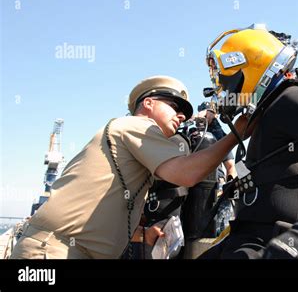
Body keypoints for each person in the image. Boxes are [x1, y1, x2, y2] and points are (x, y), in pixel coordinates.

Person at [11, 75, 250, 259]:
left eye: (184, 113)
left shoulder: (139, 151)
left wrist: (142, 234)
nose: (181, 116)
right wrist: (237, 133)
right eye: (174, 107)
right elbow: (187, 174)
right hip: (55, 251)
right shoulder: (135, 125)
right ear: (148, 103)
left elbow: (106, 207)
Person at [198, 24, 298, 259]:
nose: (222, 87)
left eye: (226, 79)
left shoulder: (291, 96)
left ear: (249, 67)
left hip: (269, 243)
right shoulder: (262, 113)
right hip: (243, 239)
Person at [197, 101, 237, 180]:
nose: (207, 115)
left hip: (216, 181)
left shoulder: (220, 135)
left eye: (210, 112)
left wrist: (229, 188)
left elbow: (230, 167)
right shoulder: (192, 133)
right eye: (205, 112)